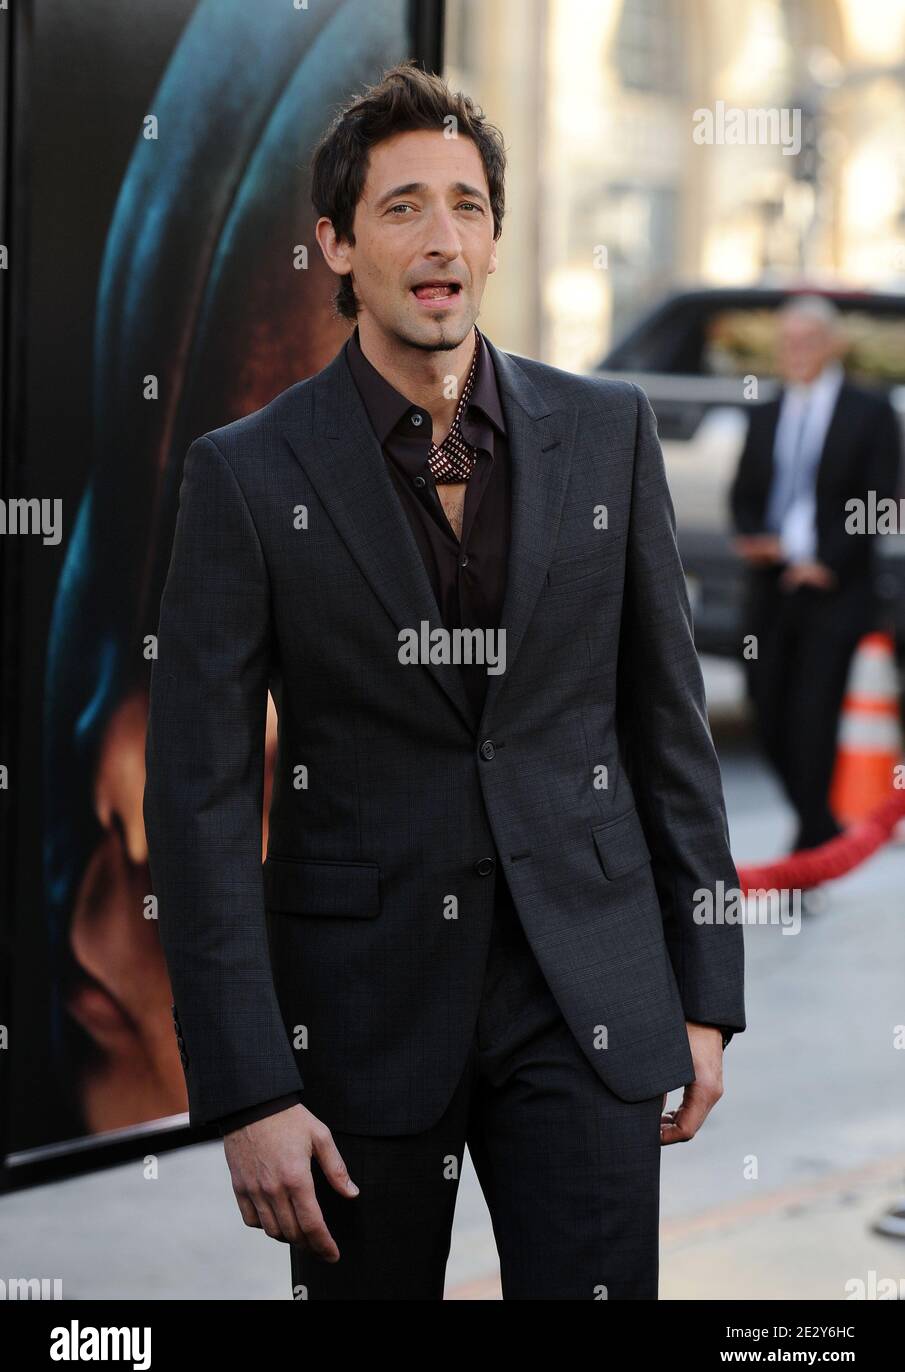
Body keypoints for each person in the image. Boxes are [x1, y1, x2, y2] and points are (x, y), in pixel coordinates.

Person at [143, 62, 745, 1301]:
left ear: (494, 239)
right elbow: (197, 799)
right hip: (358, 1018)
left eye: (466, 205)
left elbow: (667, 732)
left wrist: (707, 994)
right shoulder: (246, 476)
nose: (441, 236)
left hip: (583, 995)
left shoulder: (608, 430)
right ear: (337, 245)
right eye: (403, 205)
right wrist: (250, 1086)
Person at [730, 295, 902, 852]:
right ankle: (820, 826)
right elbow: (745, 494)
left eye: (806, 340)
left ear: (832, 345)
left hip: (835, 588)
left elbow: (879, 501)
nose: (793, 352)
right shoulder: (765, 411)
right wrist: (758, 538)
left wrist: (825, 561)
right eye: (786, 341)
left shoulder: (869, 412)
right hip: (772, 585)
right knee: (766, 706)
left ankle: (809, 847)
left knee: (812, 716)